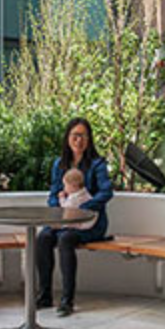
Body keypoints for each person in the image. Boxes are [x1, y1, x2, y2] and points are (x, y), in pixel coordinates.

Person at [36, 117, 114, 317]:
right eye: (75, 135)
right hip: (63, 219)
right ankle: (45, 295)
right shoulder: (59, 164)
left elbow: (106, 193)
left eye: (83, 136)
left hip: (90, 223)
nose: (79, 140)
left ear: (89, 139)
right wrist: (58, 211)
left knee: (65, 238)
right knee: (43, 237)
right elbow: (54, 194)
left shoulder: (97, 164)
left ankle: (67, 300)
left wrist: (82, 209)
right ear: (67, 138)